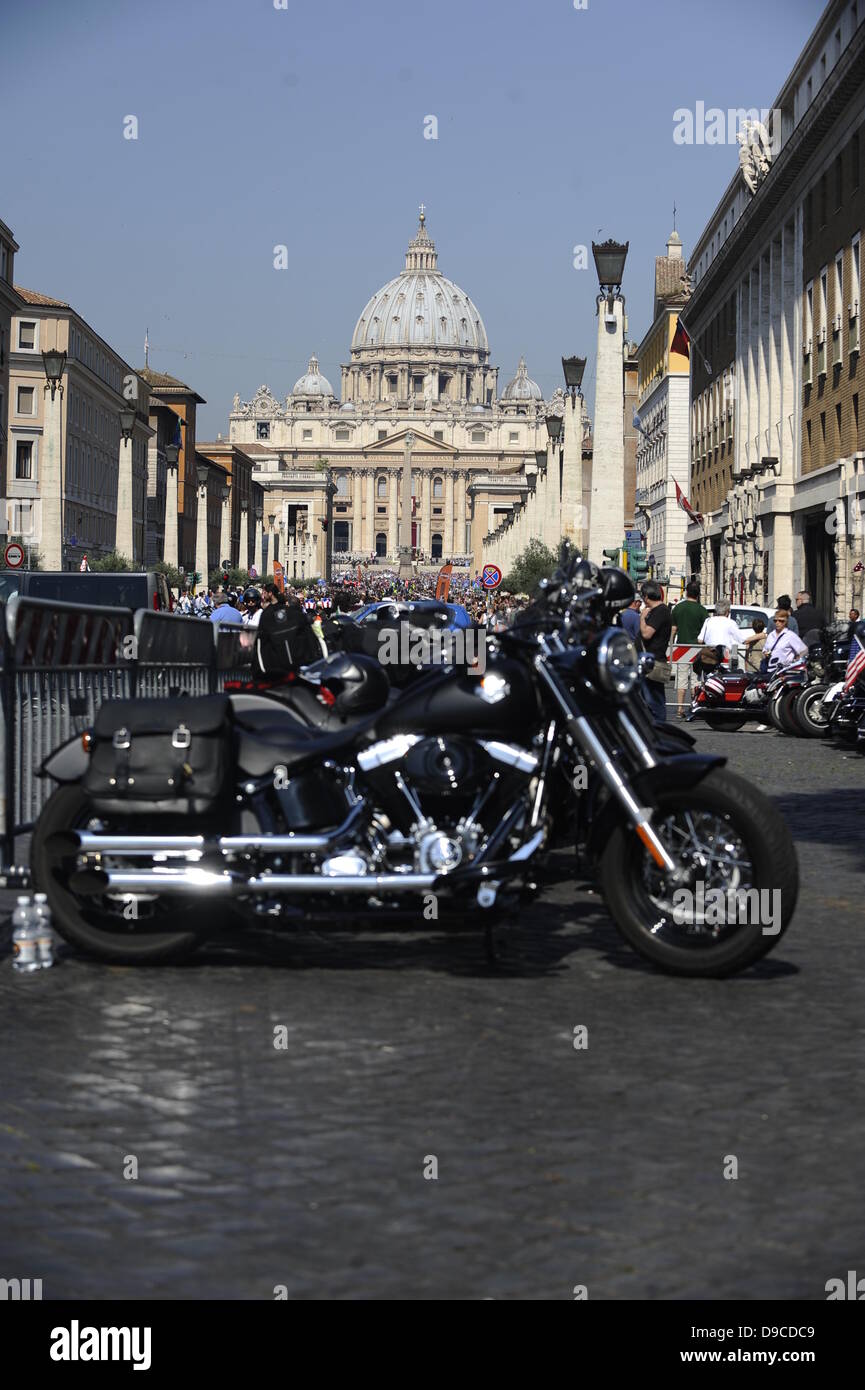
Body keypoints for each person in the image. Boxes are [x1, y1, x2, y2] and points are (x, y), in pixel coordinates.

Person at [670, 580, 709, 718]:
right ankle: (694, 706)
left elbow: (673, 630)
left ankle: (680, 708)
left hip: (681, 648)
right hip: (697, 649)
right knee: (696, 680)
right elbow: (705, 632)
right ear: (698, 594)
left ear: (686, 592)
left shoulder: (678, 608)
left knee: (681, 679)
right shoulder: (702, 610)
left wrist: (670, 647)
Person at [638, 580, 672, 722]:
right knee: (648, 701)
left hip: (653, 663)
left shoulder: (660, 611)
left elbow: (646, 634)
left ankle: (659, 730)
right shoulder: (659, 611)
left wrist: (642, 618)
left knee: (654, 702)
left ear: (646, 597)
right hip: (649, 662)